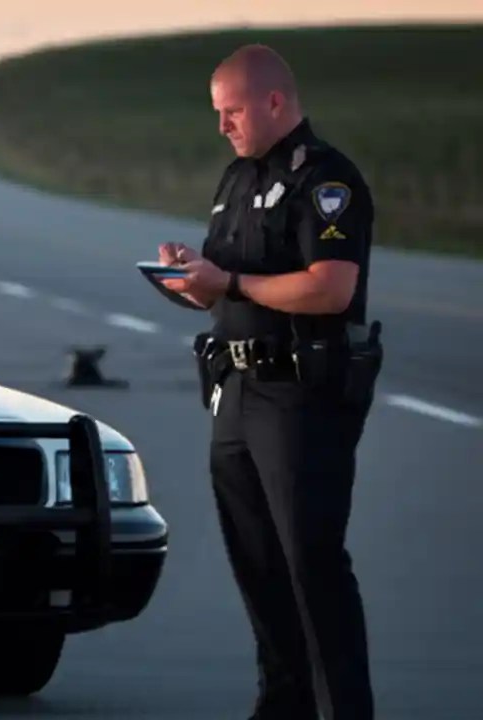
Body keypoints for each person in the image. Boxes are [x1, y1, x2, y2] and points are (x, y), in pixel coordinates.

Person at [157, 44, 381, 720]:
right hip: (236, 391)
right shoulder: (236, 181)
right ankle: (282, 707)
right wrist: (189, 281)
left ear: (274, 102)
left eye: (231, 111)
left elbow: (331, 289)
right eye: (217, 113)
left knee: (311, 564)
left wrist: (224, 280)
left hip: (299, 397)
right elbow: (229, 288)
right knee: (258, 569)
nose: (222, 125)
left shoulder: (327, 180)